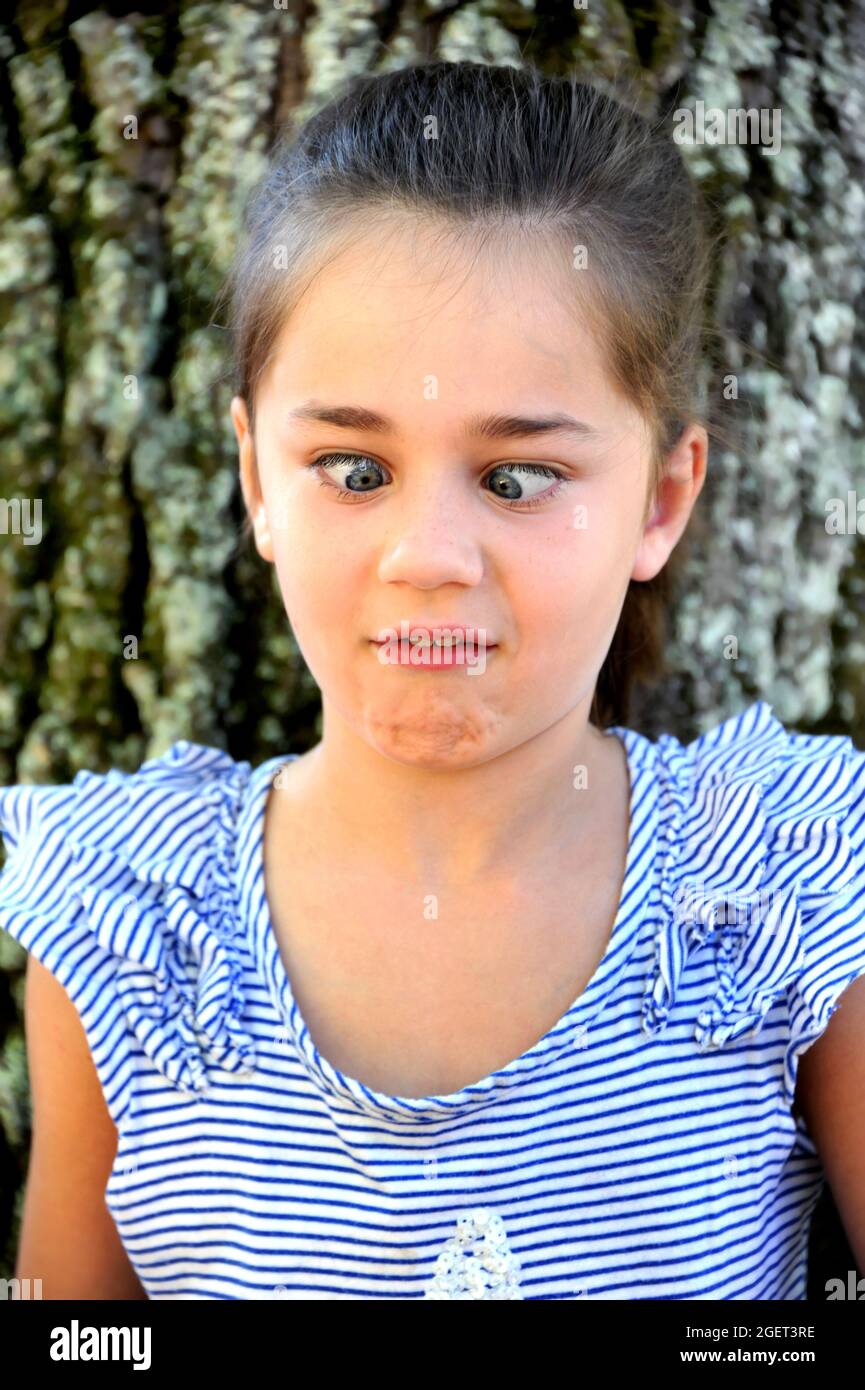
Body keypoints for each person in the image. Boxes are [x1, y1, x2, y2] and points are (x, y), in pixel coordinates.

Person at [2, 60, 863, 1301]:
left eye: (515, 479)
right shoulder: (134, 930)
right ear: (256, 480)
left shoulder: (789, 883)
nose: (428, 558)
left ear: (661, 498)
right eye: (353, 470)